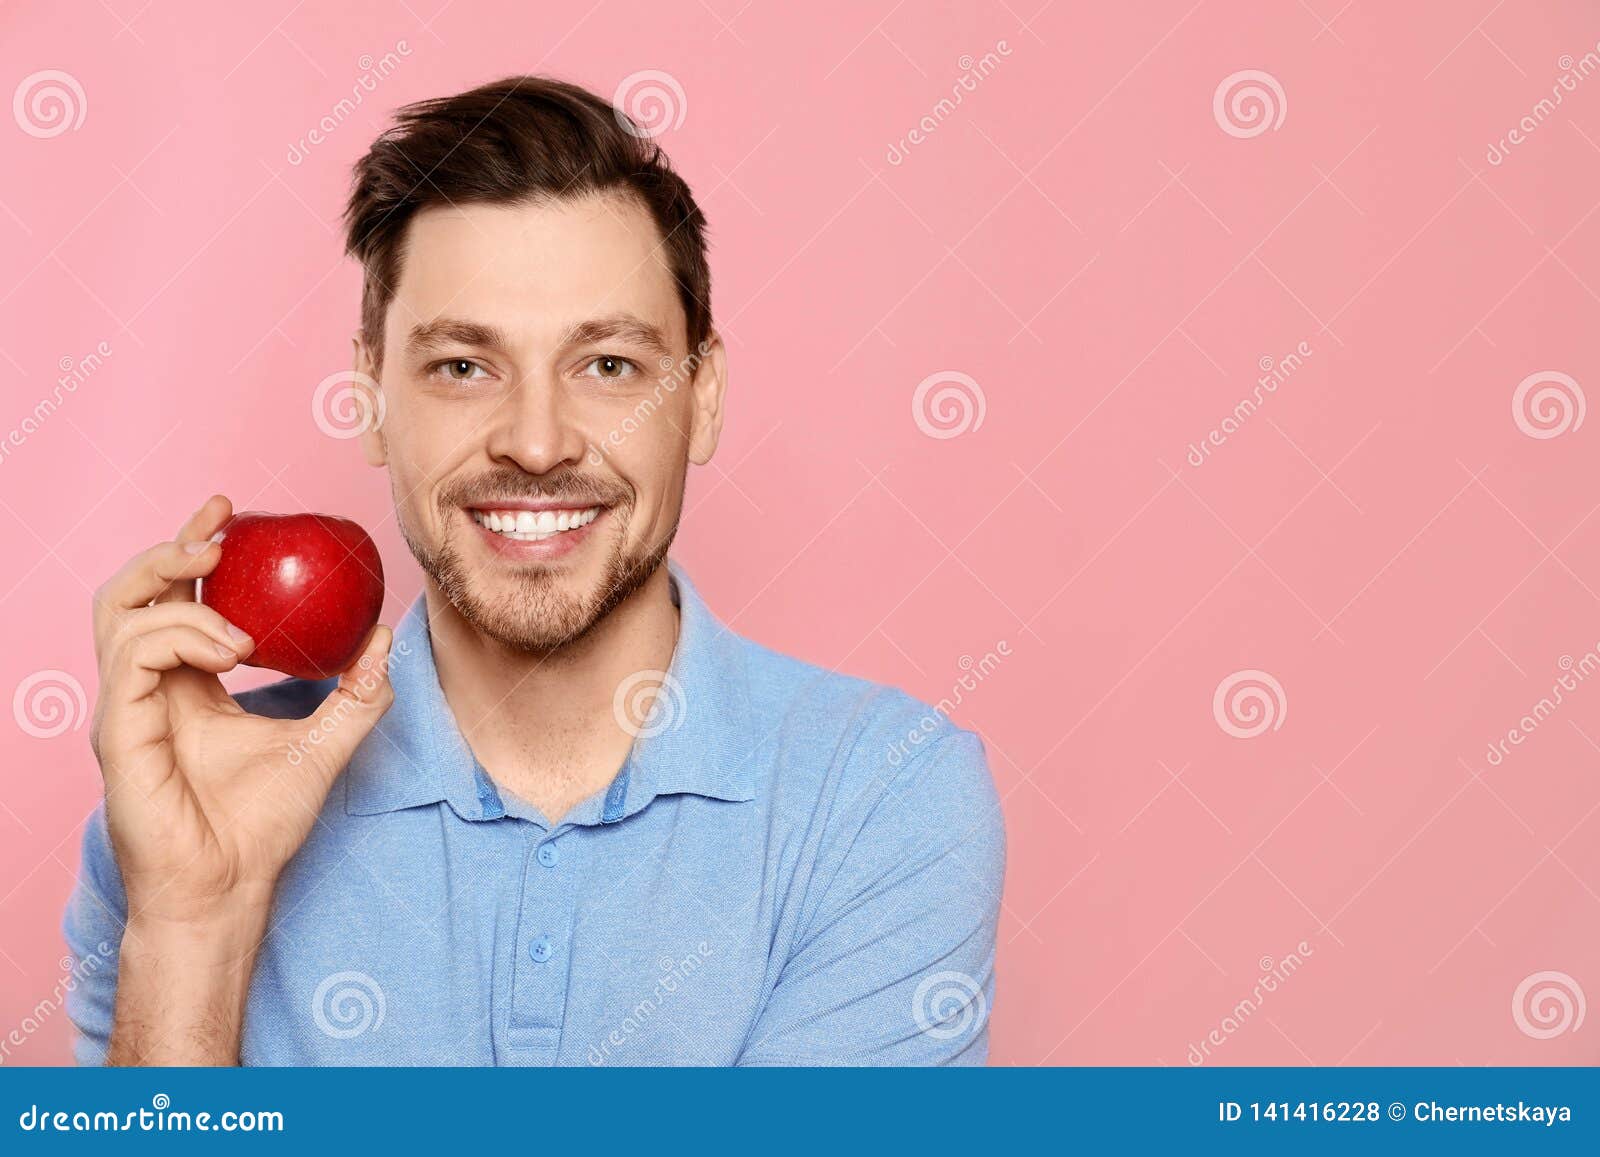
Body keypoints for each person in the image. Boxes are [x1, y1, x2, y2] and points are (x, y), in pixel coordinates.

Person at [63, 75, 1004, 1066]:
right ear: (370, 398)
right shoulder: (189, 805)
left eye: (608, 365)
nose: (537, 442)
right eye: (463, 366)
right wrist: (192, 922)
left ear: (702, 398)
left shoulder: (882, 796)